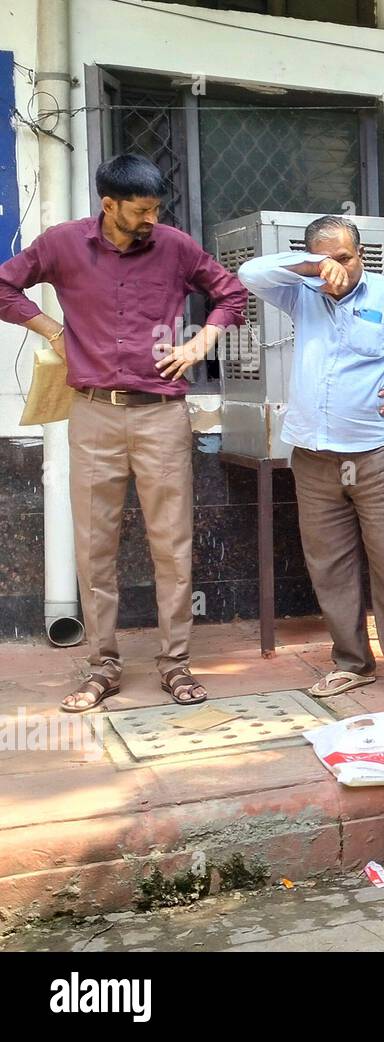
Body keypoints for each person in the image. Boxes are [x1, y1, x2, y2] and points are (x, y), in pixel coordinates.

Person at [0, 154, 247, 711]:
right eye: (141, 210)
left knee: (172, 544)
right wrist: (49, 328)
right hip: (92, 414)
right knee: (94, 546)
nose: (150, 220)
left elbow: (231, 293)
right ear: (108, 204)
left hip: (161, 413)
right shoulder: (62, 244)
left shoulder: (176, 246)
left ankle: (176, 664)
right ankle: (103, 665)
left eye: (157, 209)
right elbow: (4, 286)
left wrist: (200, 344)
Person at [239, 215, 384, 698]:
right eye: (326, 260)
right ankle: (351, 661)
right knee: (329, 563)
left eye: (344, 258)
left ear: (360, 254)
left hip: (377, 452)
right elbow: (251, 273)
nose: (337, 270)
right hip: (314, 454)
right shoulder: (300, 293)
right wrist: (310, 267)